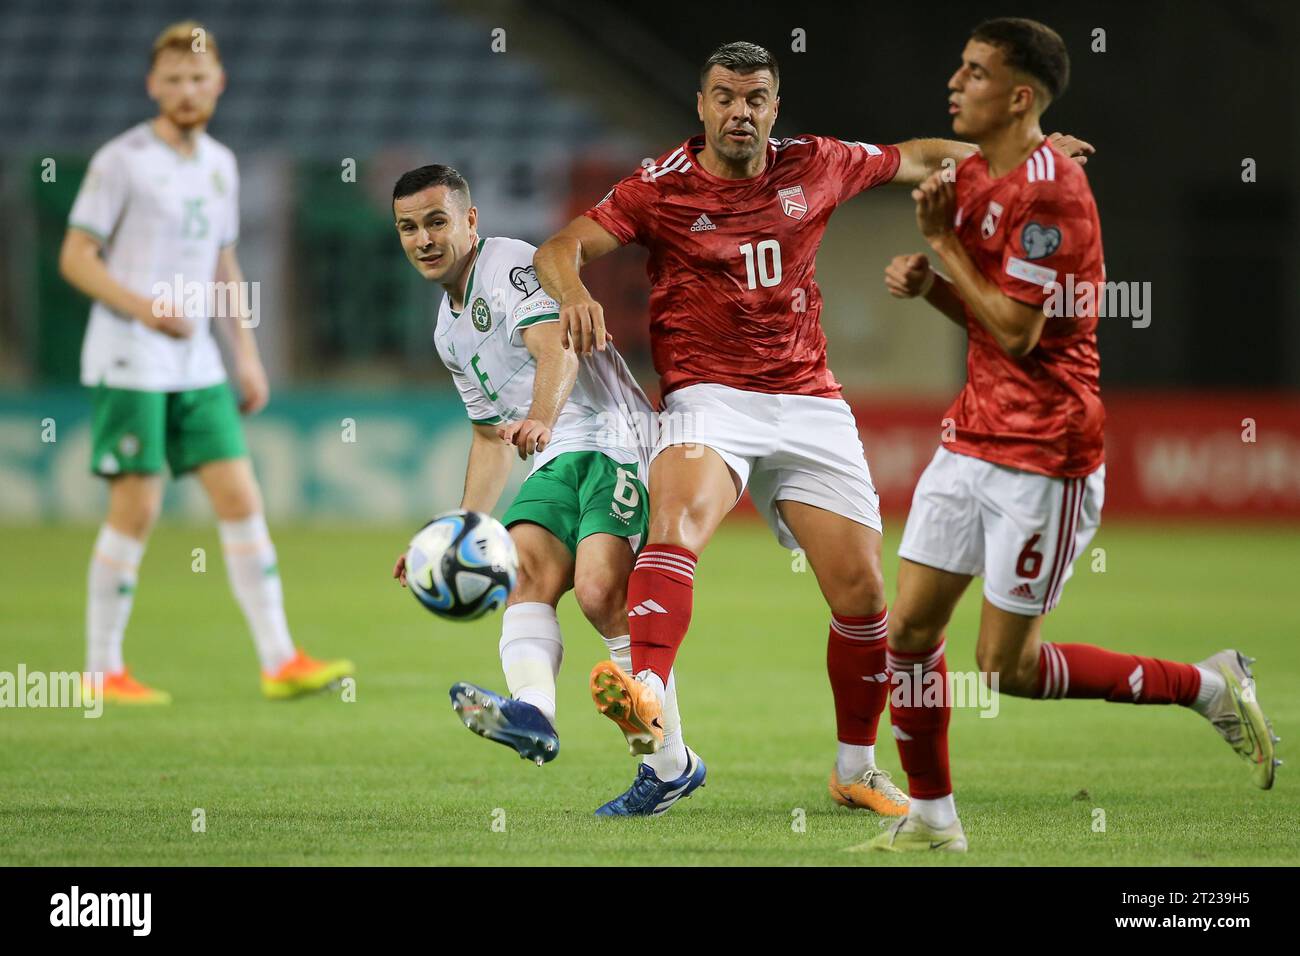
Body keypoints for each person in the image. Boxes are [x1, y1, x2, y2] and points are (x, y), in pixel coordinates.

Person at [534, 40, 1094, 816]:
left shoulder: (819, 161)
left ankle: (855, 769)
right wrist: (573, 294)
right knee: (680, 519)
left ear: (774, 103)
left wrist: (1023, 158)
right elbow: (558, 248)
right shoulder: (658, 187)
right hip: (708, 396)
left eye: (756, 97)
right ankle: (649, 690)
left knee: (864, 594)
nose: (741, 111)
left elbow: (919, 155)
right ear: (702, 106)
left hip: (807, 401)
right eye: (725, 96)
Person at [871, 17, 1277, 853]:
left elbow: (1020, 334)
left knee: (1006, 671)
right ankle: (934, 822)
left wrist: (940, 247)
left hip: (1044, 457)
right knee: (907, 630)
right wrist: (934, 289)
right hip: (972, 434)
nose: (955, 80)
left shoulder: (1053, 197)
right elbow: (993, 320)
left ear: (1020, 96)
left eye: (975, 72)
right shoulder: (980, 169)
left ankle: (1206, 685)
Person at [390, 165, 704, 815]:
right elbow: (486, 438)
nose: (424, 239)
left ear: (471, 222)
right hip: (555, 458)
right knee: (524, 572)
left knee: (598, 593)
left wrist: (539, 413)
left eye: (437, 221)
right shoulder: (447, 330)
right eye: (409, 228)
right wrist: (455, 534)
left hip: (614, 437)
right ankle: (534, 714)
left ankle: (668, 762)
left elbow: (558, 345)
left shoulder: (507, 265)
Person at [60, 20, 352, 703]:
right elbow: (75, 257)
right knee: (137, 507)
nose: (187, 90)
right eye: (173, 80)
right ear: (152, 85)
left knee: (242, 497)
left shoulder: (221, 163)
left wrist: (245, 355)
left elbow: (222, 263)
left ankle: (280, 660)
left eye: (198, 79)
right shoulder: (121, 160)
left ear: (217, 84)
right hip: (130, 354)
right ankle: (101, 670)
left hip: (196, 363)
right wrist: (143, 308)